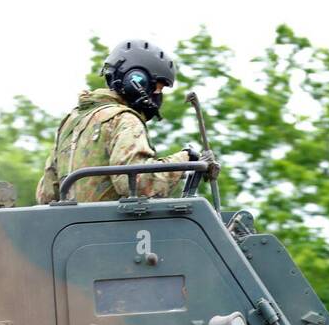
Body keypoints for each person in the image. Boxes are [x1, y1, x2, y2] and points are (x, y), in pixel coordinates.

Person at [36, 39, 211, 203]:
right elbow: (138, 184)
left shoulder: (70, 123)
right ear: (137, 82)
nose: (158, 97)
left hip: (70, 232)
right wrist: (186, 159)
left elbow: (46, 195)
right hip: (112, 231)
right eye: (158, 88)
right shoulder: (123, 119)